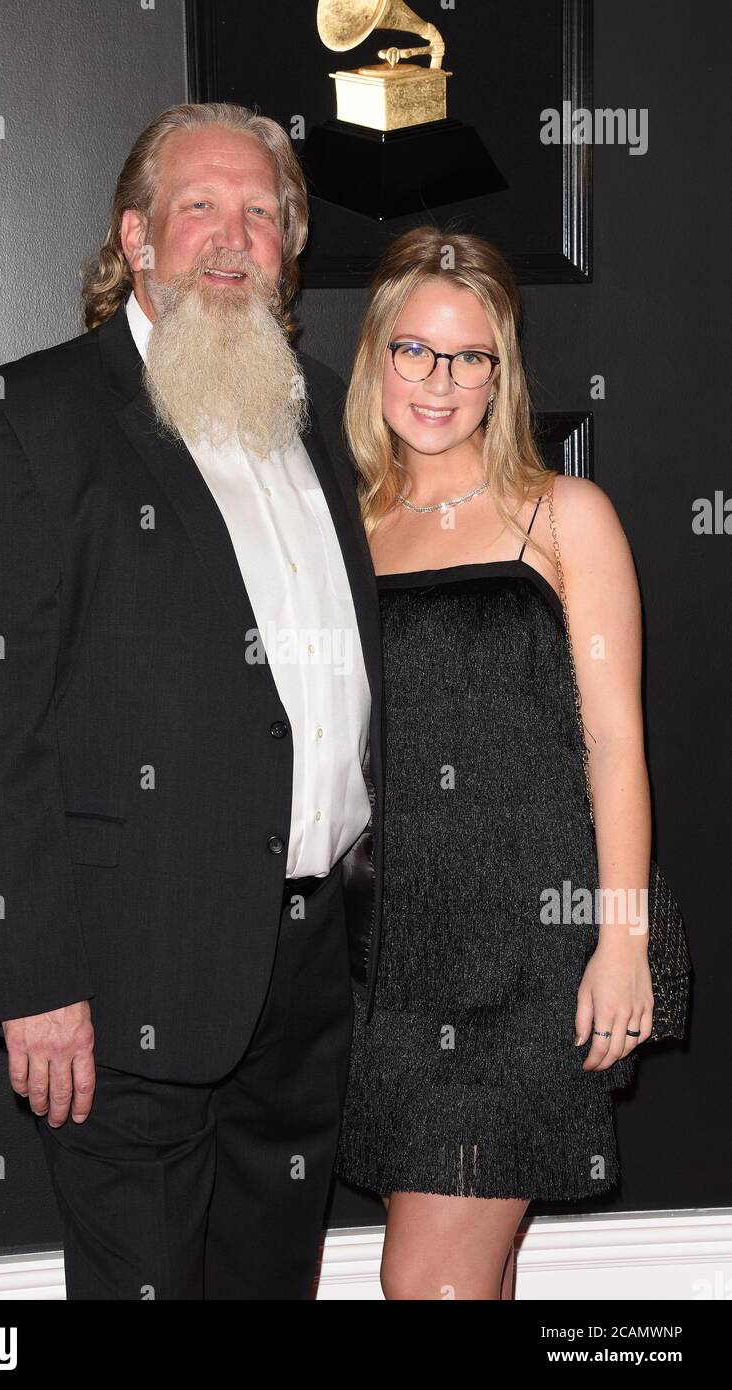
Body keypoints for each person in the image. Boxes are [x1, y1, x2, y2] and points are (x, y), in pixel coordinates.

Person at [0, 101, 386, 1300]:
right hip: (122, 982)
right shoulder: (24, 421)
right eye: (198, 209)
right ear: (135, 238)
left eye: (261, 215)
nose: (231, 238)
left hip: (303, 977)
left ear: (286, 249)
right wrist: (30, 984)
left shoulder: (322, 418)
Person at [334, 228, 653, 1300]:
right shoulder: (347, 530)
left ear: (499, 374)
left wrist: (620, 939)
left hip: (532, 942)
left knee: (424, 1284)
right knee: (474, 1278)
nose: (439, 380)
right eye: (414, 350)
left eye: (470, 357)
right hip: (394, 951)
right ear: (376, 355)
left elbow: (613, 742)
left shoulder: (563, 516)